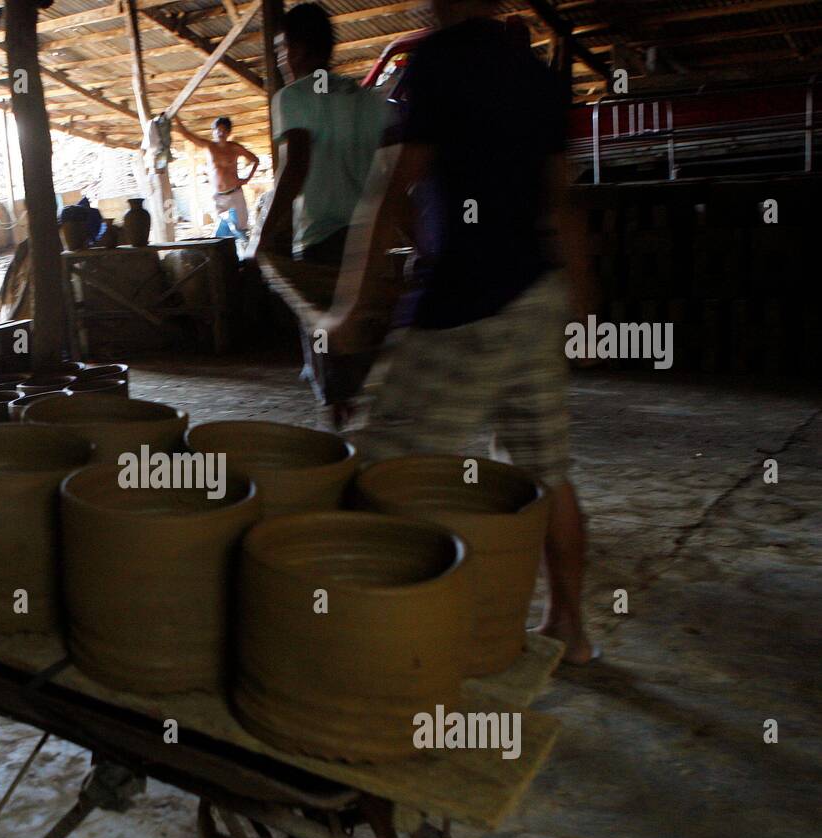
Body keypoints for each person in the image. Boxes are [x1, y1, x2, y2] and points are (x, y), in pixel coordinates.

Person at [322, 0, 595, 664]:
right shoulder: (536, 75)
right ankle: (569, 627)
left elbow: (390, 193)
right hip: (537, 292)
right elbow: (559, 201)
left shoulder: (437, 64)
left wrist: (349, 307)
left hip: (465, 304)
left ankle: (389, 644)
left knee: (379, 468)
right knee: (547, 471)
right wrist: (582, 303)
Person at [254, 3, 394, 265]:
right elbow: (388, 175)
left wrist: (262, 238)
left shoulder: (293, 97)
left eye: (282, 49)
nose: (281, 59)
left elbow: (296, 168)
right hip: (371, 241)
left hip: (323, 244)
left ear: (298, 50)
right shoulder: (366, 99)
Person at [176, 116, 259, 232]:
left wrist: (247, 179)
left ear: (229, 132)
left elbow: (255, 159)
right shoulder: (209, 147)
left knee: (241, 229)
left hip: (235, 195)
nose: (221, 133)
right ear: (213, 132)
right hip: (218, 197)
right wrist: (176, 119)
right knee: (222, 232)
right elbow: (187, 134)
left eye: (224, 130)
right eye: (218, 130)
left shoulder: (235, 148)